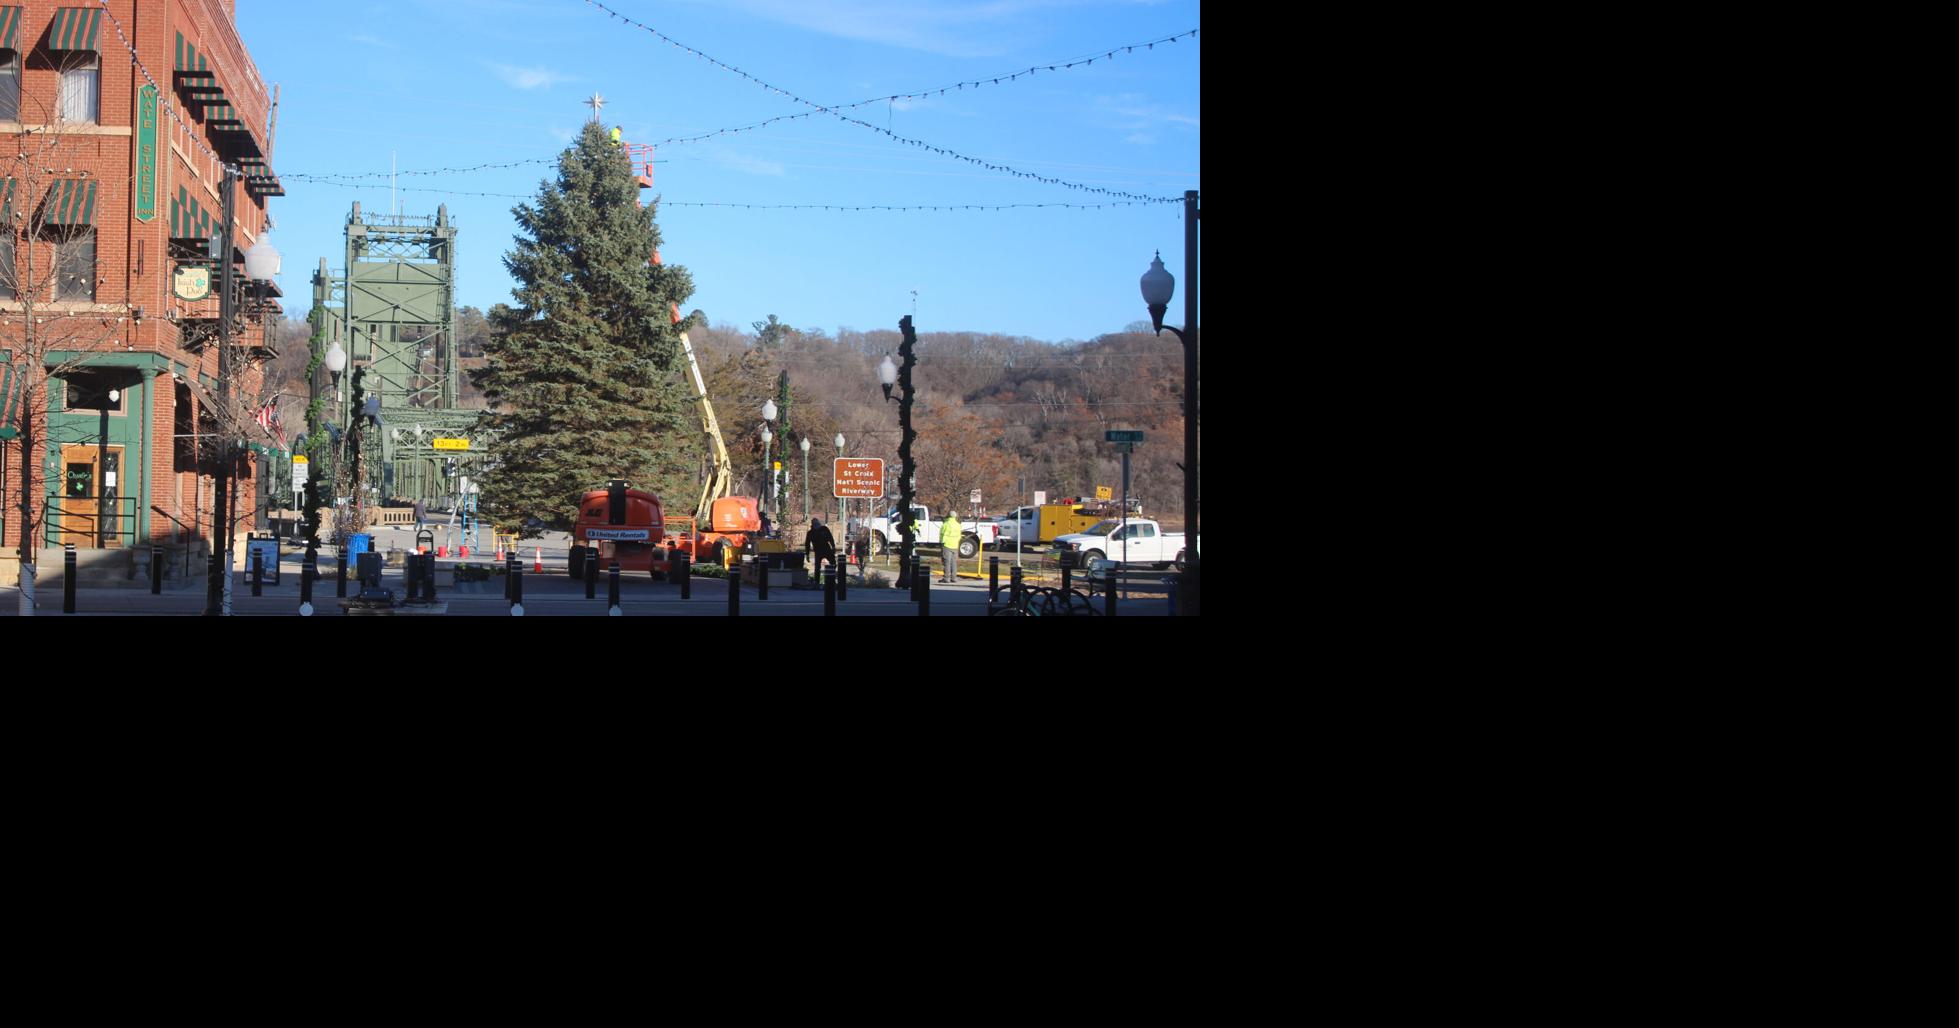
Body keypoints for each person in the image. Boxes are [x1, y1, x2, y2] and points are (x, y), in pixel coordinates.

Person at [939, 510, 962, 583]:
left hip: (947, 545)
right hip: (955, 545)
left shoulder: (946, 524)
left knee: (947, 562)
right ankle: (954, 577)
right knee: (954, 562)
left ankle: (946, 578)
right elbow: (959, 536)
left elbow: (943, 535)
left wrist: (942, 543)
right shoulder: (958, 525)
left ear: (948, 515)